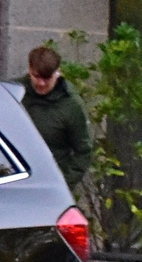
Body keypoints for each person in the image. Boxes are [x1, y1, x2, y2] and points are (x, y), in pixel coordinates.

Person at [20, 46, 92, 193]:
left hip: (50, 184)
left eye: (47, 78)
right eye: (36, 76)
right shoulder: (15, 92)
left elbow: (83, 150)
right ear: (29, 70)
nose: (41, 83)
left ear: (58, 72)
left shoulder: (71, 105)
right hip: (14, 179)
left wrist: (64, 184)